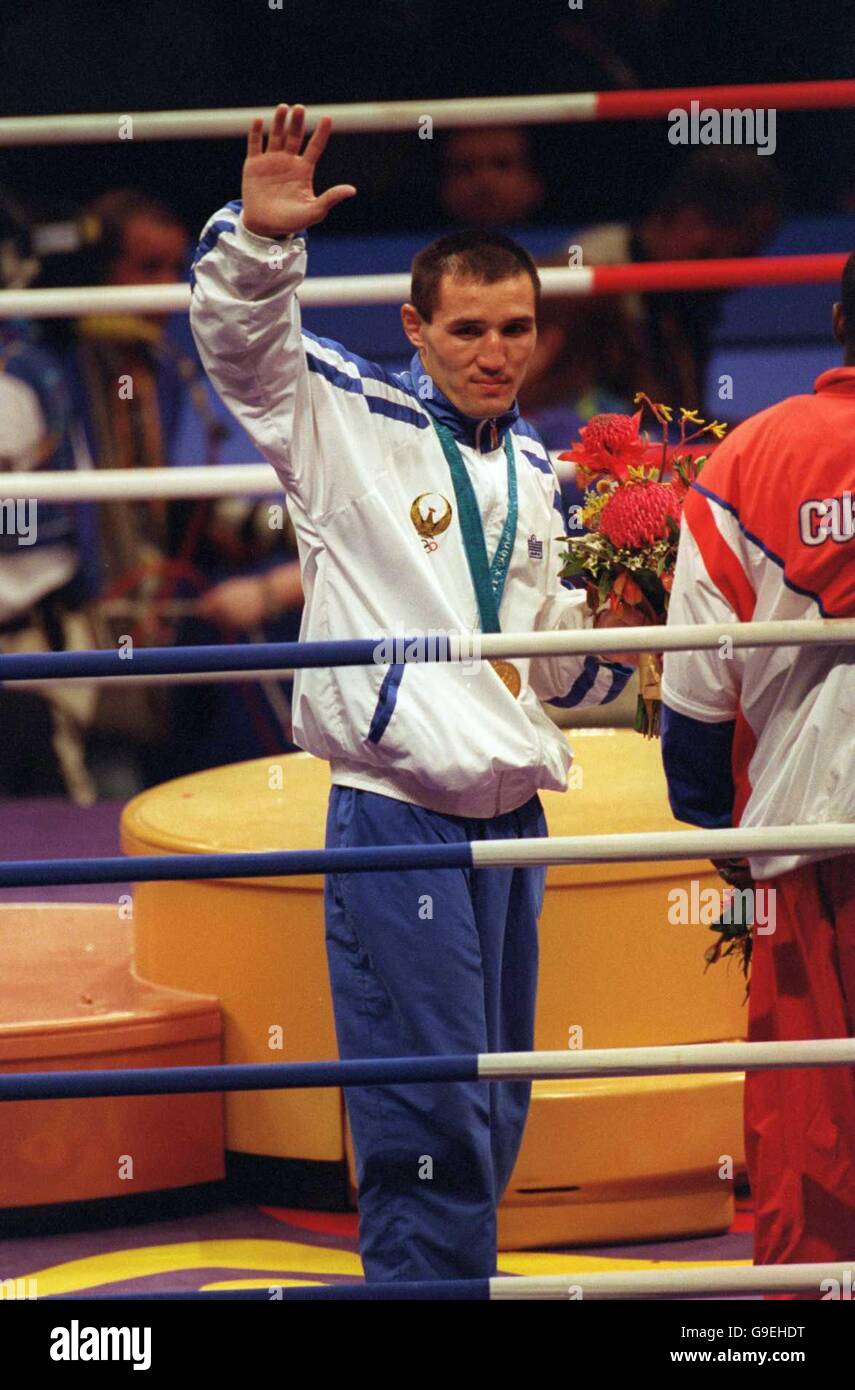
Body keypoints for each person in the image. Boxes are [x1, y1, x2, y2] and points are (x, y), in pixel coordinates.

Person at [190, 102, 635, 1282]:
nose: (496, 352)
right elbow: (244, 349)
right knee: (425, 1113)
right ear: (415, 327)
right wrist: (262, 243)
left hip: (511, 824)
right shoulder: (346, 416)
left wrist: (637, 634)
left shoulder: (544, 476)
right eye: (469, 329)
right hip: (397, 813)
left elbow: (552, 666)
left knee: (492, 1108)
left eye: (518, 329)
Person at [660, 253, 855, 1298]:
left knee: (814, 1123)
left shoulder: (751, 455)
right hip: (806, 834)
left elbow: (696, 687)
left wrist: (713, 829)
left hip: (807, 837)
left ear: (834, 320)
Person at [519, 149, 784, 450]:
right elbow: (555, 405)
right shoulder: (590, 278)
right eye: (742, 251)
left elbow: (679, 420)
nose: (739, 270)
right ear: (694, 223)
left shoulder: (686, 296)